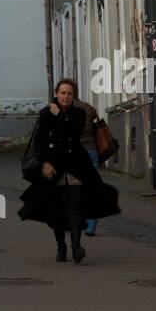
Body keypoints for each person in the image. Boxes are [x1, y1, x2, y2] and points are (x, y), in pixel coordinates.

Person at [18, 77, 120, 263]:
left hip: (76, 164)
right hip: (53, 166)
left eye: (69, 94)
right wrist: (45, 163)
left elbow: (73, 131)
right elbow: (39, 141)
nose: (66, 96)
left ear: (73, 96)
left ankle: (76, 245)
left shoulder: (79, 113)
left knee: (76, 204)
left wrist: (60, 115)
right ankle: (60, 245)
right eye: (63, 93)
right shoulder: (45, 113)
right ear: (56, 94)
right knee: (55, 207)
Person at [74, 93, 102, 236]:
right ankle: (91, 226)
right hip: (91, 150)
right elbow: (96, 117)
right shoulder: (88, 107)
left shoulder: (66, 109)